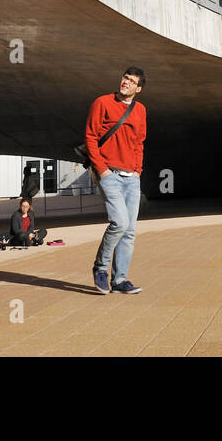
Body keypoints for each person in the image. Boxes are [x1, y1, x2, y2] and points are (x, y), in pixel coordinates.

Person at [87, 67, 147, 295]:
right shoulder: (102, 102)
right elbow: (91, 137)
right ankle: (100, 269)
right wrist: (101, 169)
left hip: (131, 177)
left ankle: (120, 280)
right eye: (125, 78)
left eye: (131, 81)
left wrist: (138, 170)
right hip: (108, 172)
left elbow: (139, 141)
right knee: (120, 223)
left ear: (138, 89)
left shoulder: (140, 110)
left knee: (130, 230)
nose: (126, 83)